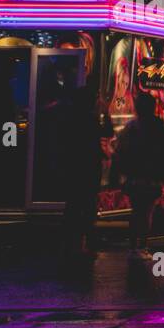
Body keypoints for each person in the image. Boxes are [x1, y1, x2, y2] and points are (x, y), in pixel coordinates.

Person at [110, 90, 164, 259]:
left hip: (134, 178)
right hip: (151, 178)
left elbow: (119, 152)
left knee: (136, 211)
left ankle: (134, 246)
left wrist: (117, 175)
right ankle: (142, 245)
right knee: (146, 212)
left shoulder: (131, 128)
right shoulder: (159, 127)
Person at [58, 82, 114, 263]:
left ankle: (69, 245)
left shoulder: (70, 117)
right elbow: (107, 131)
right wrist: (105, 112)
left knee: (73, 206)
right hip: (88, 169)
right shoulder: (90, 119)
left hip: (73, 168)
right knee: (87, 208)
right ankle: (84, 246)